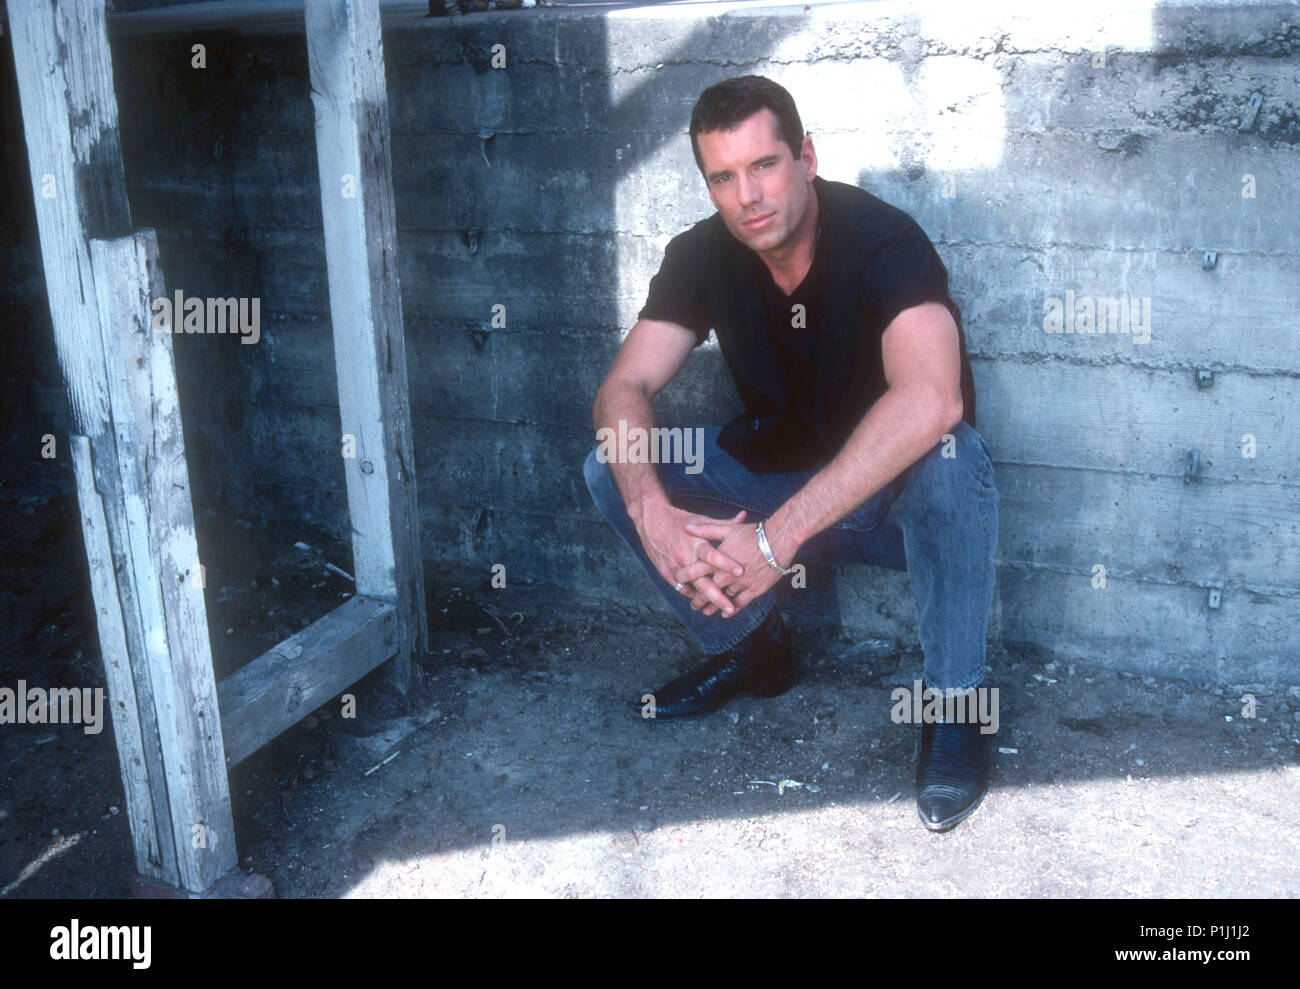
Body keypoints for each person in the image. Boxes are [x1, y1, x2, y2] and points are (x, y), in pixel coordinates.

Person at [583, 75, 1000, 831]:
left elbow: (933, 397)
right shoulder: (703, 254)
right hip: (769, 479)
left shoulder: (883, 239)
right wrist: (651, 511)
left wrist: (774, 542)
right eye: (723, 177)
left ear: (804, 157)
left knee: (952, 457)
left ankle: (958, 703)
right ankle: (753, 648)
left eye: (764, 165)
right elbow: (624, 386)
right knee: (612, 467)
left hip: (883, 503)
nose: (748, 195)